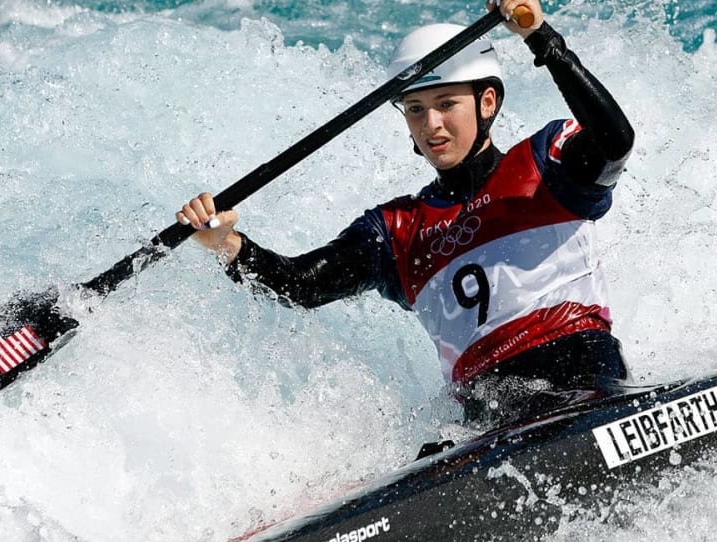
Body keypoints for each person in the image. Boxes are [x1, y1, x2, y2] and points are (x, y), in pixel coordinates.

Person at [176, 0, 635, 429]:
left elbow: (615, 139)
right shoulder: (395, 230)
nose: (430, 124)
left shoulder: (547, 164)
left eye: (446, 104)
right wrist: (229, 246)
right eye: (415, 109)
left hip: (583, 378)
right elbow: (301, 284)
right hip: (486, 414)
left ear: (488, 103)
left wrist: (542, 38)